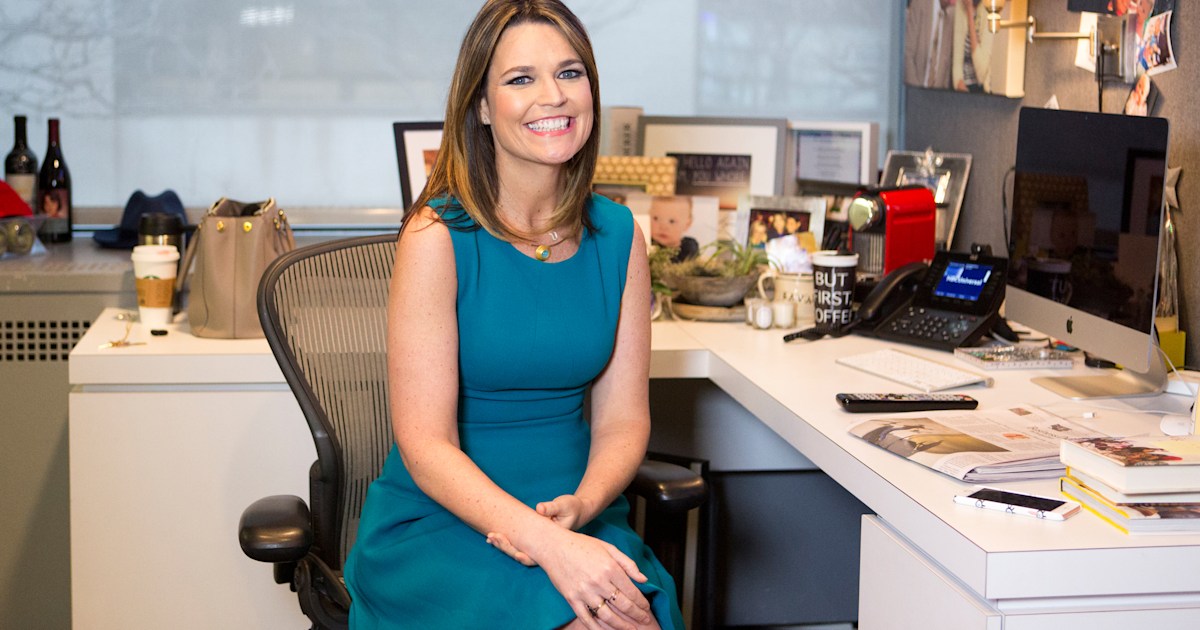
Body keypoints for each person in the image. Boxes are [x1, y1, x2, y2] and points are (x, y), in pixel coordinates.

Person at [342, 1, 682, 628]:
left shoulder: (618, 235)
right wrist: (547, 545)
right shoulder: (437, 236)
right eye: (520, 78)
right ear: (480, 105)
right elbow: (426, 444)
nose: (551, 96)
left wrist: (583, 506)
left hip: (575, 509)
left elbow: (623, 422)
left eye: (570, 73)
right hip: (447, 522)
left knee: (632, 620)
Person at [904, 0, 957, 89]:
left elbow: (946, 68)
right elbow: (907, 53)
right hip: (914, 91)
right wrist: (916, 93)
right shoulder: (920, 4)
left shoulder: (950, 16)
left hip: (935, 98)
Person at [649, 195, 698, 262]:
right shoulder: (647, 243)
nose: (663, 227)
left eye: (672, 221)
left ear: (687, 224)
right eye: (656, 218)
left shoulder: (688, 247)